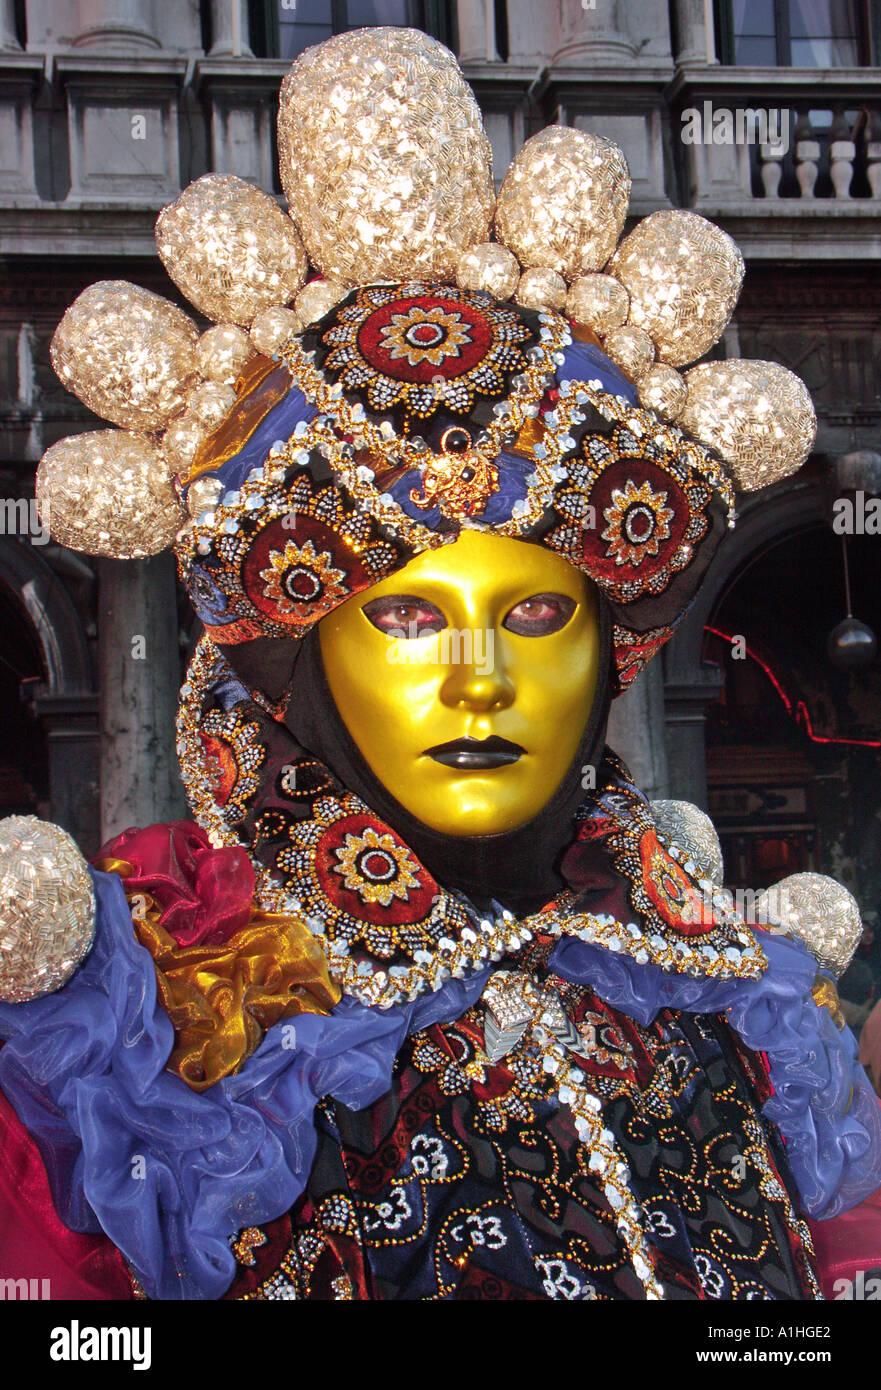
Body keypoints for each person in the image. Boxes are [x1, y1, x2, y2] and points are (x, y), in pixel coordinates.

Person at [1, 26, 880, 1302]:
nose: (480, 681)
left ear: (605, 655)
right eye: (408, 621)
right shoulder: (142, 1030)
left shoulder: (722, 1007)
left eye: (531, 619)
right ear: (294, 666)